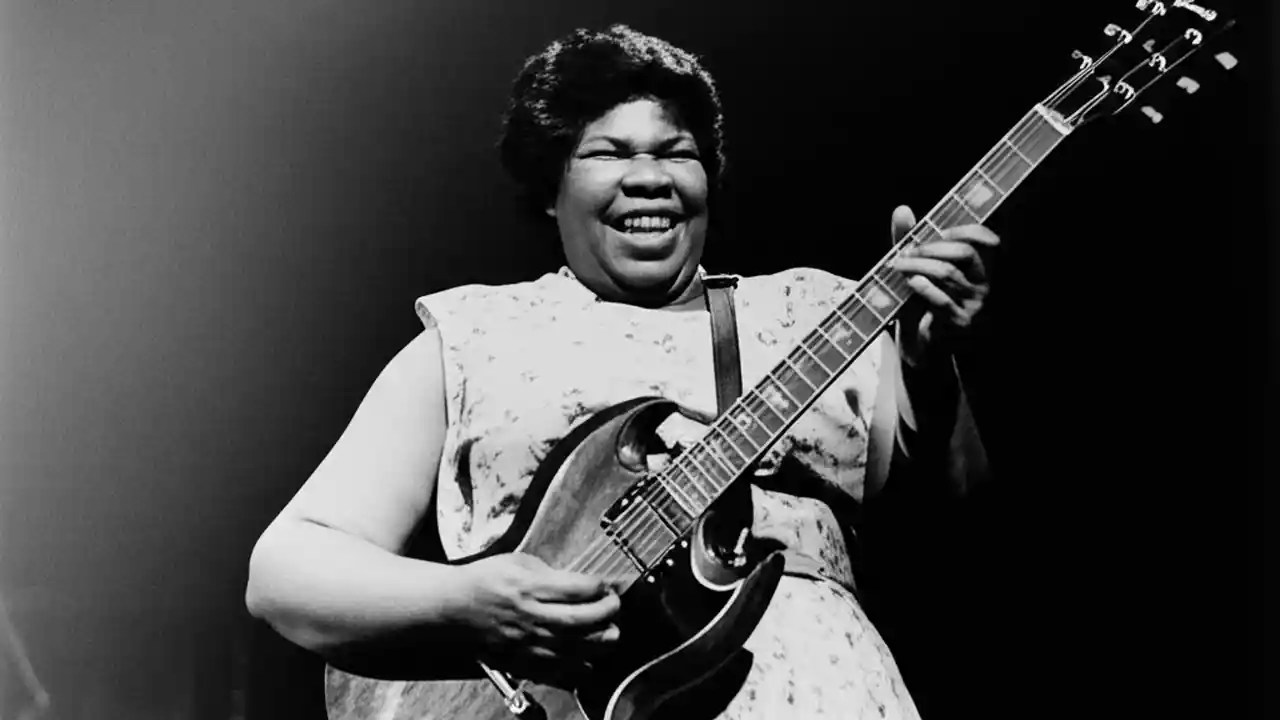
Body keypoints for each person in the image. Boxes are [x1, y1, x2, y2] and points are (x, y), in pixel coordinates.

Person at [246, 23, 994, 719]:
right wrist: (465, 600)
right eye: (608, 152)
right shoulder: (474, 335)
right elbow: (289, 569)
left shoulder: (818, 310)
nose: (648, 177)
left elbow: (955, 527)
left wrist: (930, 369)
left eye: (676, 152)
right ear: (550, 188)